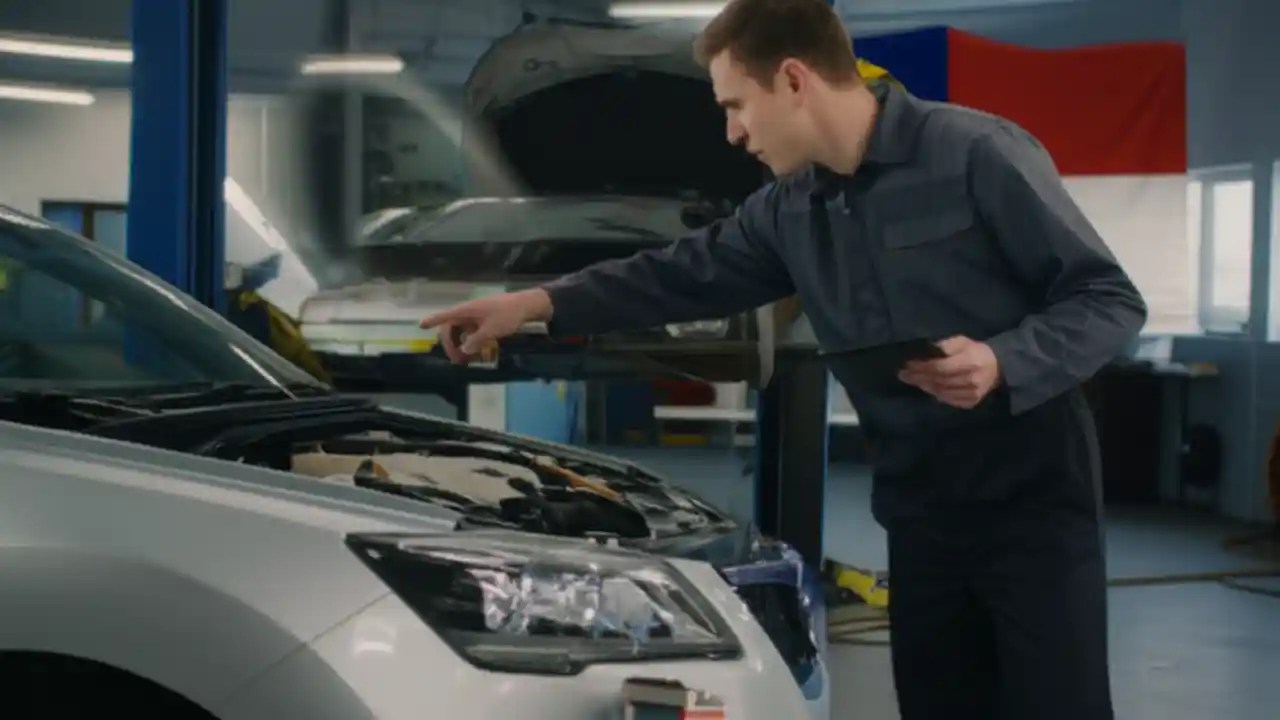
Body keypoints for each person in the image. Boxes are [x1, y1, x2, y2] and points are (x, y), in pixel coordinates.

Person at [419, 0, 1146, 717]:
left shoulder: (977, 154)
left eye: (737, 106)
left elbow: (1107, 298)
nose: (733, 133)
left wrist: (1001, 360)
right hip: (920, 511)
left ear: (795, 80)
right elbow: (674, 274)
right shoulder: (786, 210)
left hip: (1032, 504)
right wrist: (532, 305)